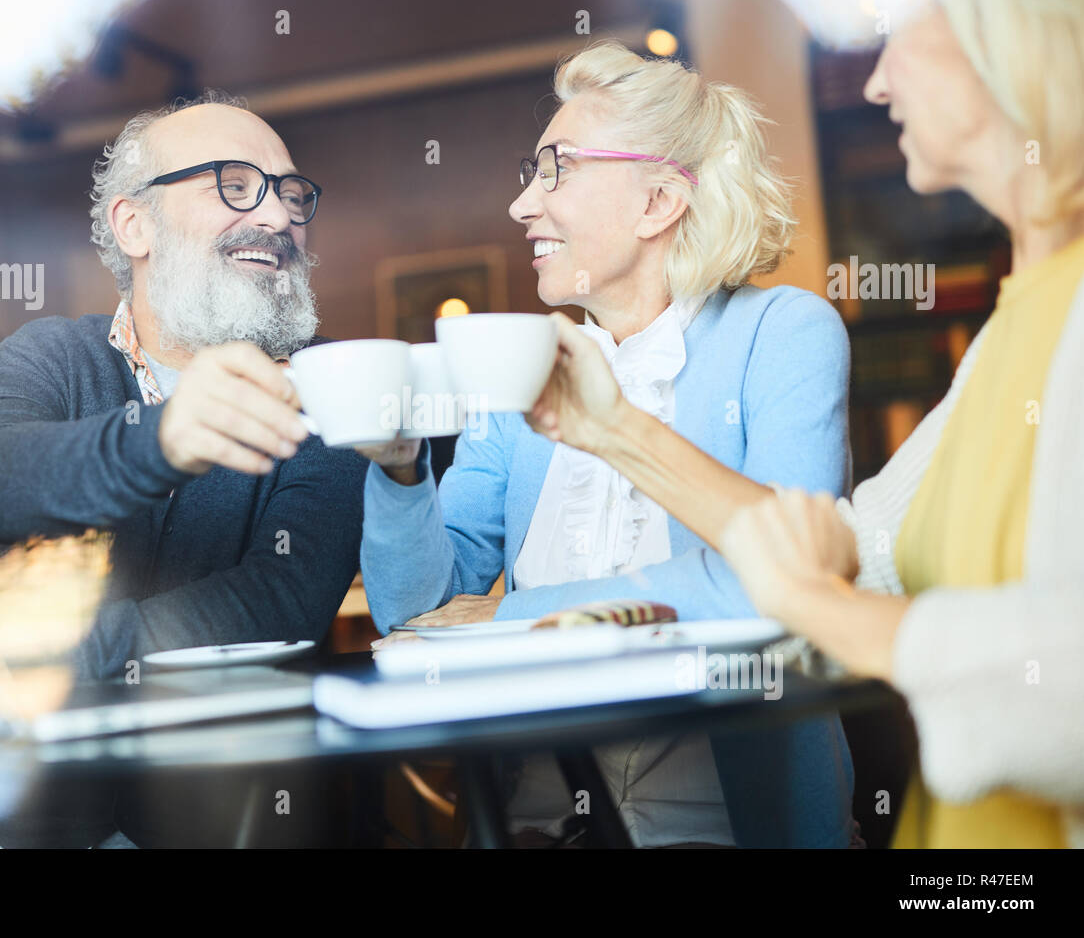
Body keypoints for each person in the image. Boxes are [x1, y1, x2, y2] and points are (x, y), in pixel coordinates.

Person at [528, 0, 1084, 848]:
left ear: (1008, 42)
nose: (874, 83)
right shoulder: (1017, 326)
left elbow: (1063, 691)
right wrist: (613, 430)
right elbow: (848, 551)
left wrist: (813, 608)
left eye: (900, 36)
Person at [359, 42, 855, 847]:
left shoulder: (784, 334)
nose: (522, 204)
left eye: (556, 168)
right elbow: (417, 618)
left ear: (658, 201)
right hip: (536, 830)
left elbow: (770, 584)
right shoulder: (522, 363)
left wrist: (512, 615)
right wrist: (400, 468)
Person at [0, 91, 367, 847]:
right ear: (134, 223)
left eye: (290, 193)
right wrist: (164, 439)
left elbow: (278, 606)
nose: (278, 218)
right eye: (236, 186)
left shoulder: (332, 386)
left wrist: (58, 654)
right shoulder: (47, 358)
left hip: (231, 820)